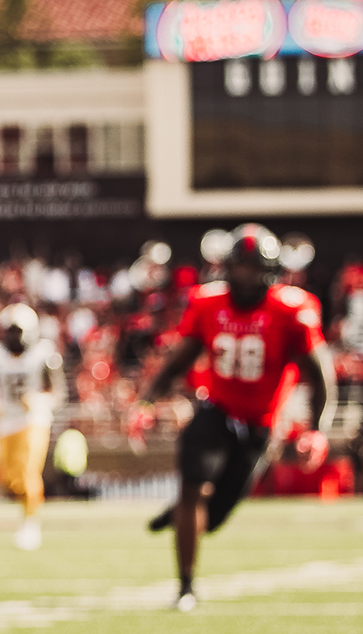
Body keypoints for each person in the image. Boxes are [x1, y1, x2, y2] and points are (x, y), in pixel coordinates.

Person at [135, 224, 334, 611]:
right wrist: (146, 403)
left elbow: (320, 374)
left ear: (270, 271)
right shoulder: (208, 303)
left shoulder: (291, 310)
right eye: (240, 267)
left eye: (253, 268)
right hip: (216, 408)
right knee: (193, 485)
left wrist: (317, 430)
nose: (245, 276)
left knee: (213, 516)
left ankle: (178, 515)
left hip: (260, 423)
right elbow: (181, 358)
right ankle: (186, 586)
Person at [0, 304, 63, 551]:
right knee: (8, 479)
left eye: (18, 330)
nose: (14, 336)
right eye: (11, 330)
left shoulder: (43, 354)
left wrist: (40, 400)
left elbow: (57, 392)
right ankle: (27, 519)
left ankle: (30, 524)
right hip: (4, 421)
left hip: (33, 419)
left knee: (27, 473)